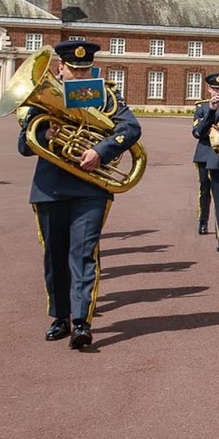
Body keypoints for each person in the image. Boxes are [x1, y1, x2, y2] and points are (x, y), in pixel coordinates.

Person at [20, 39, 141, 350]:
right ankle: (59, 317)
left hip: (91, 189)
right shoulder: (40, 98)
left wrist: (101, 151)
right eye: (75, 69)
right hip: (49, 189)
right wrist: (45, 134)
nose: (80, 74)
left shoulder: (105, 95)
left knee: (84, 255)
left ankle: (81, 322)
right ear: (61, 67)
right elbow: (23, 145)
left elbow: (130, 128)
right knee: (54, 257)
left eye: (85, 69)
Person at [190, 73, 219, 243]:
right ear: (208, 89)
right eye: (215, 88)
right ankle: (203, 220)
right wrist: (211, 111)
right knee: (204, 189)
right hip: (204, 153)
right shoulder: (201, 107)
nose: (218, 92)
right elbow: (198, 132)